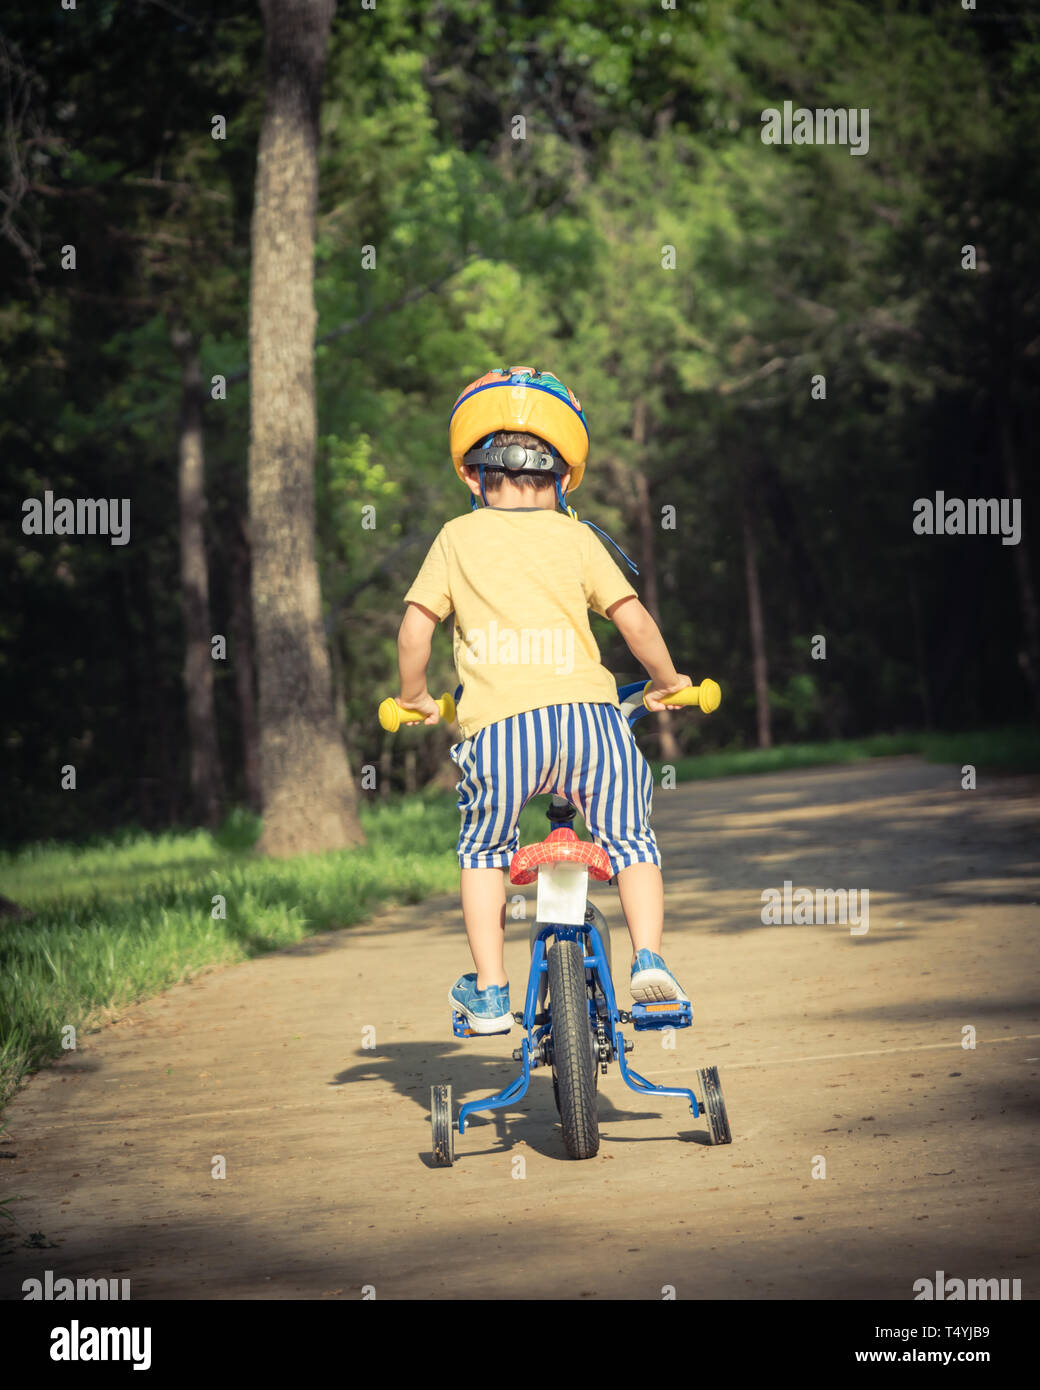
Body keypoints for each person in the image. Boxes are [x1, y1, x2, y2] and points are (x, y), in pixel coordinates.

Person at [394, 366, 692, 1034]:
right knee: (632, 839)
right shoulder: (578, 537)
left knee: (485, 852)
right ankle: (650, 960)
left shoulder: (454, 538)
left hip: (500, 735)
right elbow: (634, 621)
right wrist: (669, 682)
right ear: (564, 478)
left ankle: (494, 992)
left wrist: (414, 697)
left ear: (471, 476)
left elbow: (416, 626)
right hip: (593, 727)